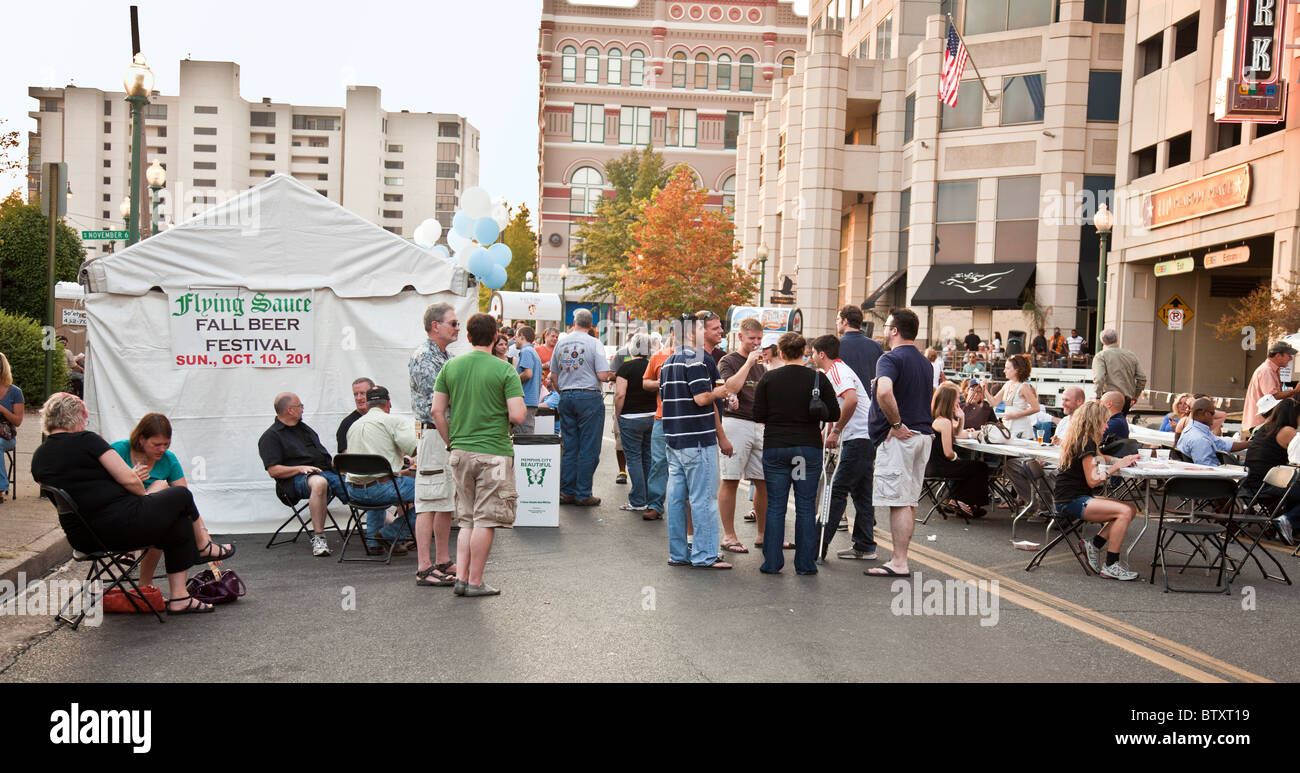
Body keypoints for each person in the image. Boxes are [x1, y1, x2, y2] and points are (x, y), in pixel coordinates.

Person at [33, 393, 232, 614]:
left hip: (83, 537)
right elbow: (131, 482)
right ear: (77, 417)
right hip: (119, 526)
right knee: (180, 495)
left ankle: (180, 598)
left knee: (175, 522)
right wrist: (136, 482)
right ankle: (203, 546)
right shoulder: (87, 440)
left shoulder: (39, 457)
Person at [432, 312, 527, 597]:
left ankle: (461, 577)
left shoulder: (451, 367)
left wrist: (452, 442)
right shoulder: (505, 370)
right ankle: (475, 581)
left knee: (467, 519)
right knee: (486, 520)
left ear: (469, 337)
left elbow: (436, 411)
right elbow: (518, 415)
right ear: (496, 336)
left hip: (460, 451)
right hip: (494, 453)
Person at [110, 411, 233, 587]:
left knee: (168, 508)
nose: (162, 449)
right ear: (141, 439)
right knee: (161, 487)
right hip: (119, 514)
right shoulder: (119, 450)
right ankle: (169, 586)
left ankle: (148, 585)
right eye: (157, 444)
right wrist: (130, 478)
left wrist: (204, 533)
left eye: (166, 444)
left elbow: (186, 501)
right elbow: (100, 488)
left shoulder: (168, 460)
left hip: (146, 519)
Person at [751, 333, 839, 574]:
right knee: (805, 505)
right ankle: (804, 564)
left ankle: (771, 562)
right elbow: (834, 414)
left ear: (781, 353)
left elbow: (758, 415)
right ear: (804, 352)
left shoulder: (769, 378)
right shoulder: (818, 379)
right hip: (806, 449)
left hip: (776, 448)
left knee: (776, 505)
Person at [865, 308, 935, 578]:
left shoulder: (889, 359)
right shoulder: (924, 362)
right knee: (908, 499)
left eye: (887, 326)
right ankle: (900, 558)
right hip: (922, 435)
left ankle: (898, 561)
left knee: (898, 501)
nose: (885, 331)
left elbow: (884, 391)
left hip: (901, 437)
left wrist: (895, 423)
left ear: (895, 330)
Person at [661, 312, 734, 569]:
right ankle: (705, 555)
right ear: (693, 332)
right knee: (704, 500)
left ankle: (678, 553)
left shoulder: (669, 362)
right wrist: (721, 392)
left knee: (678, 500)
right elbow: (702, 398)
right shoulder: (696, 360)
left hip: (674, 440)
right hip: (697, 440)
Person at [1054, 400, 1142, 580]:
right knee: (1124, 512)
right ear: (1094, 421)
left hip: (1075, 496)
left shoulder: (1085, 440)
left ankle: (1094, 545)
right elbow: (1093, 480)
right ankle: (1111, 564)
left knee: (1131, 510)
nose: (1107, 425)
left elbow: (1101, 457)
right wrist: (1117, 466)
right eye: (1104, 421)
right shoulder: (1084, 443)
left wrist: (1122, 459)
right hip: (1070, 501)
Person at [809, 334, 876, 560]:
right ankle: (864, 544)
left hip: (858, 437)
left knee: (837, 489)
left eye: (813, 353)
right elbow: (839, 405)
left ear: (821, 354)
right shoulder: (836, 371)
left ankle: (818, 544)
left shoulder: (837, 371)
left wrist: (836, 431)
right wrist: (828, 430)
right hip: (863, 436)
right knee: (862, 493)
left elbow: (851, 399)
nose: (811, 357)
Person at [408, 301, 461, 586]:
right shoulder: (423, 358)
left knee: (443, 501)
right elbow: (436, 406)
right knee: (428, 500)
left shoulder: (445, 357)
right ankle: (424, 567)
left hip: (443, 434)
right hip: (434, 434)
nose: (457, 327)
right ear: (435, 326)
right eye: (452, 323)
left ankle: (442, 559)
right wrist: (450, 441)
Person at [258, 392, 347, 557]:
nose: (303, 409)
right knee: (319, 483)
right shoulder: (271, 436)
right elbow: (273, 470)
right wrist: (299, 468)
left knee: (359, 483)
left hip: (326, 472)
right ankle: (319, 538)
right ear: (290, 410)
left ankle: (385, 531)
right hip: (294, 481)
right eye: (300, 406)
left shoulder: (305, 430)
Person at [344, 386, 419, 556]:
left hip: (354, 492)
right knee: (429, 496)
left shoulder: (353, 426)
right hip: (382, 489)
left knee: (373, 483)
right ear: (388, 404)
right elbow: (415, 449)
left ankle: (373, 543)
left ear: (369, 404)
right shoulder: (392, 421)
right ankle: (389, 534)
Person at [549, 309, 613, 506]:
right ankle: (583, 493)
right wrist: (613, 374)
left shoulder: (560, 343)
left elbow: (553, 376)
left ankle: (566, 491)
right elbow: (602, 375)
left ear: (573, 323)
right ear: (591, 325)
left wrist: (563, 392)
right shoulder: (594, 343)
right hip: (588, 397)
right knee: (589, 447)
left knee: (570, 446)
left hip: (567, 396)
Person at [717, 318, 768, 553]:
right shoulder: (728, 360)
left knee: (762, 482)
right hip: (736, 424)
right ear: (740, 337)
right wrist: (748, 363)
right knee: (731, 479)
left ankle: (763, 535)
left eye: (759, 338)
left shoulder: (761, 364)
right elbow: (731, 388)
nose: (757, 343)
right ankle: (729, 536)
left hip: (759, 424)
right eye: (752, 339)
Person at [1241, 397, 1299, 545]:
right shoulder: (1288, 432)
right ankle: (1288, 520)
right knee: (1295, 487)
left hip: (1250, 484)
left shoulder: (1265, 428)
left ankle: (1286, 526)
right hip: (1267, 486)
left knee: (1295, 487)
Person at [927, 383, 989, 517]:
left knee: (971, 466)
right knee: (980, 467)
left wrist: (961, 418)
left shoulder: (937, 418)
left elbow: (956, 432)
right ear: (949, 400)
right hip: (941, 466)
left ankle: (956, 499)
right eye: (956, 398)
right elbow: (948, 453)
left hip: (931, 465)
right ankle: (962, 501)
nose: (958, 400)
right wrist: (957, 458)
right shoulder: (944, 422)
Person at [614, 333, 656, 513]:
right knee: (648, 457)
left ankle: (638, 500)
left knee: (633, 458)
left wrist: (618, 413)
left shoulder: (626, 368)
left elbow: (620, 394)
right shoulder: (652, 367)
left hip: (630, 417)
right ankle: (649, 497)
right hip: (652, 416)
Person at [640, 338, 676, 521]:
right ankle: (655, 505)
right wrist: (663, 382)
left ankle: (684, 507)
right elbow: (646, 382)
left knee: (686, 465)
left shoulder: (697, 356)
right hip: (661, 418)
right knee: (658, 462)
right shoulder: (658, 356)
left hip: (685, 421)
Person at [1175, 397, 1249, 466]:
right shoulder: (1200, 439)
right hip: (1210, 477)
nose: (1214, 417)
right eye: (1212, 413)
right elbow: (1208, 471)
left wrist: (1249, 443)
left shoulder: (1193, 429)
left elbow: (1223, 445)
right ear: (1204, 413)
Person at [1243, 340, 1299, 431]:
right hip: (1261, 423)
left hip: (1262, 422)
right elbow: (1273, 397)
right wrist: (1295, 391)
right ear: (1278, 356)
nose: (1291, 358)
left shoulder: (1269, 369)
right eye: (1288, 355)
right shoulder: (1266, 371)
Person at [1092, 328, 1147, 414]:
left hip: (1108, 399)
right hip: (1126, 399)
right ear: (1117, 339)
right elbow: (1142, 378)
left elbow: (1099, 378)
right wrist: (1135, 396)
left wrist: (1098, 396)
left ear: (1102, 341)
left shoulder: (1101, 356)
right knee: (1120, 423)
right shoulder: (1130, 355)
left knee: (1106, 425)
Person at [988, 355, 1040, 439]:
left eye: (1007, 368)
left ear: (1017, 370)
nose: (1004, 371)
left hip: (1022, 431)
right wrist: (984, 390)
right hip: (1009, 428)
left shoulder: (1024, 387)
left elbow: (1036, 408)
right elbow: (993, 402)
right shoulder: (1007, 384)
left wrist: (1015, 415)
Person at [836, 305, 883, 390]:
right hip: (870, 400)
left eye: (838, 319)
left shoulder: (834, 346)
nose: (836, 322)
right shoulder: (877, 347)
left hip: (844, 400)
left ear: (845, 321)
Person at [0, 353, 24, 502]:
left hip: (6, 437)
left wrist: (2, 409)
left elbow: (18, 421)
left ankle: (0, 488)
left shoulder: (15, 392)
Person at [512, 325, 543, 435]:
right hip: (531, 400)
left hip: (526, 401)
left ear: (521, 336)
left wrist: (513, 381)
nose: (514, 340)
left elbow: (528, 373)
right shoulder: (533, 352)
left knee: (523, 438)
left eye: (515, 337)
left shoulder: (526, 351)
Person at [336, 377, 375, 454]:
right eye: (355, 394)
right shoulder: (347, 424)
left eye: (362, 393)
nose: (359, 398)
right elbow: (345, 455)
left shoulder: (381, 419)